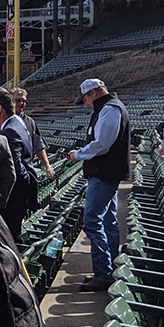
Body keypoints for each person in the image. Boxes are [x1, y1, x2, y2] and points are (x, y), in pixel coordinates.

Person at [67, 78, 130, 292]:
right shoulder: (108, 107)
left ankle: (103, 273)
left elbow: (102, 144)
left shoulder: (110, 109)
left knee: (93, 221)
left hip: (104, 173)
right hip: (107, 173)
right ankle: (107, 270)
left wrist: (78, 154)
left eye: (85, 99)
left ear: (93, 92)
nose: (85, 103)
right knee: (108, 221)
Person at [0, 89, 37, 241]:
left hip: (14, 199)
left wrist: (4, 197)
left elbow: (17, 171)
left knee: (9, 239)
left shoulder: (10, 131)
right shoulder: (17, 124)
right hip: (21, 195)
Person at [10, 88, 56, 179]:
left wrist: (47, 165)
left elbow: (38, 146)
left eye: (24, 101)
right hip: (8, 170)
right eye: (18, 100)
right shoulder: (3, 119)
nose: (21, 103)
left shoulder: (30, 122)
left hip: (25, 170)